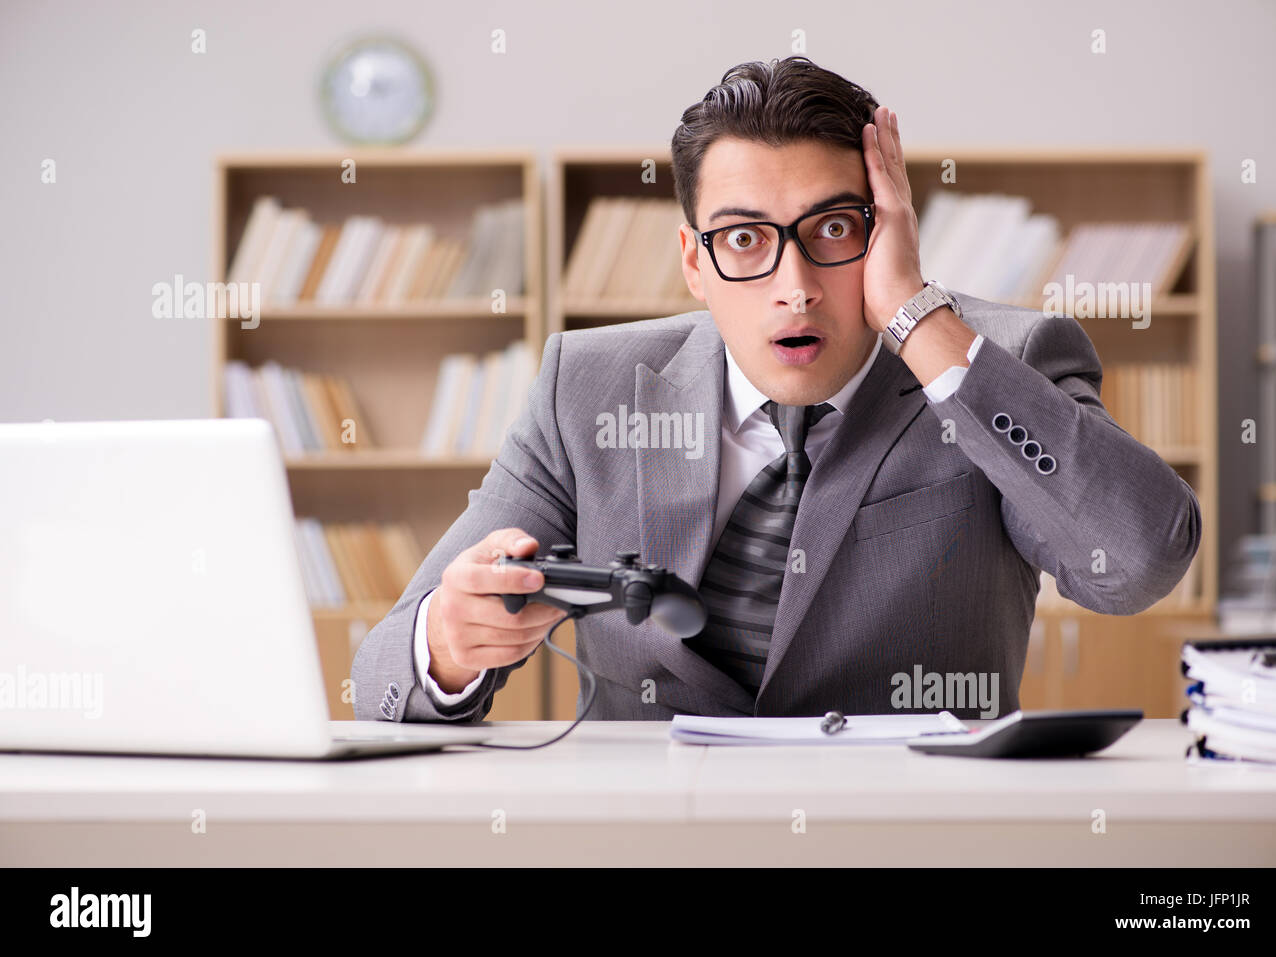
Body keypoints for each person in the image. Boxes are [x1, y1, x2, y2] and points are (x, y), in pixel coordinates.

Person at [350, 56, 1201, 723]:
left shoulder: (995, 364)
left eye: (834, 229)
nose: (794, 285)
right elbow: (379, 673)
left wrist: (915, 315)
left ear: (889, 230)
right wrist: (449, 644)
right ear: (694, 261)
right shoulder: (589, 389)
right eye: (747, 239)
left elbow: (1139, 561)